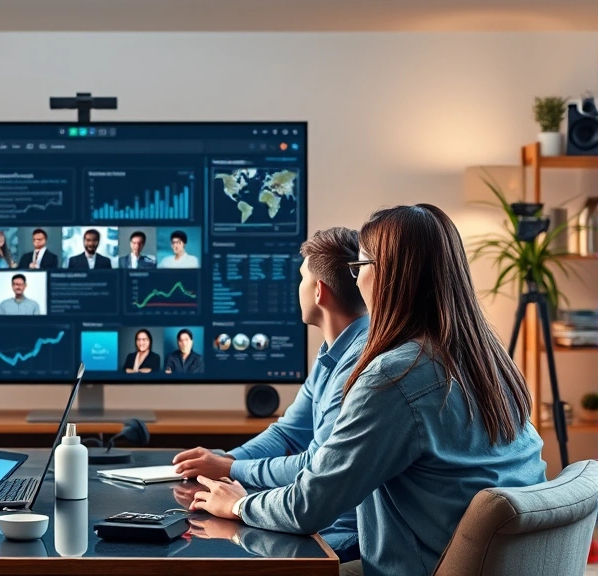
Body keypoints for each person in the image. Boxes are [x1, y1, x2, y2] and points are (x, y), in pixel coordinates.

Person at [188, 205, 547, 576]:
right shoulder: (489, 359)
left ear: (386, 276)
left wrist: (237, 504)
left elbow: (308, 506)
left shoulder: (395, 376)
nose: (356, 282)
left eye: (360, 268)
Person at [172, 227, 368, 561]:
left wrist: (230, 470)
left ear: (319, 291)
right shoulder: (332, 353)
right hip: (315, 525)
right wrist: (221, 464)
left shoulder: (360, 366)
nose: (298, 287)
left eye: (301, 277)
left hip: (336, 536)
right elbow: (288, 433)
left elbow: (314, 466)